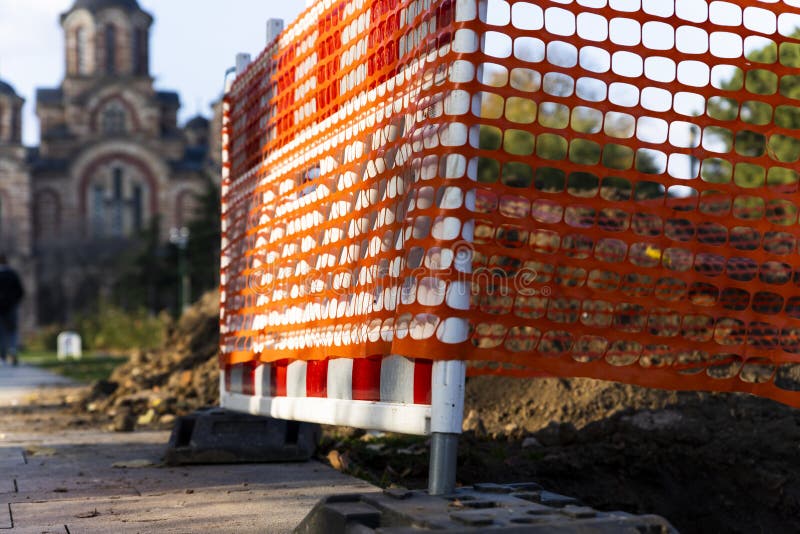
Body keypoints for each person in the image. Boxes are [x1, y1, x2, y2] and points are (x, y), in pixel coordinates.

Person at [0, 255, 24, 366]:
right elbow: (20, 291)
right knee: (12, 331)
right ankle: (13, 350)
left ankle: (2, 355)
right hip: (11, 307)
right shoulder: (12, 274)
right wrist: (14, 302)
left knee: (1, 333)